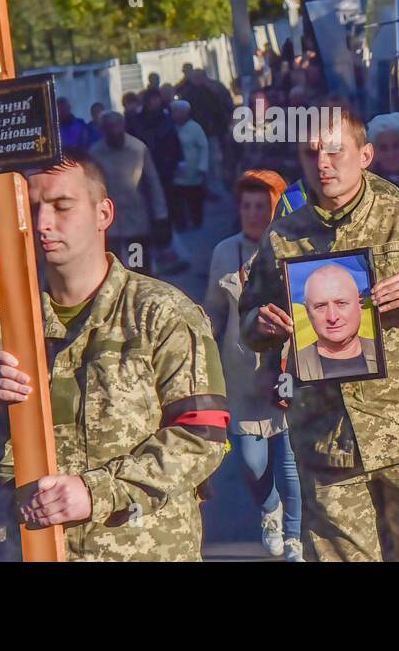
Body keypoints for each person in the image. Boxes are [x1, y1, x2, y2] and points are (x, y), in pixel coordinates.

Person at [0, 149, 228, 560]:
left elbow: (203, 435)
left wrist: (95, 492)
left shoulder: (160, 314)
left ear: (104, 213)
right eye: (34, 208)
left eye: (63, 206)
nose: (44, 223)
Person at [239, 99, 399, 562]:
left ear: (365, 156)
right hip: (327, 442)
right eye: (311, 154)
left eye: (334, 151)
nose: (323, 164)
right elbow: (251, 320)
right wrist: (262, 324)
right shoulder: (283, 237)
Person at [204, 170, 303, 561]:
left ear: (277, 206)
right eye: (246, 206)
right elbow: (214, 307)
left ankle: (294, 534)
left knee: (291, 460)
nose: (253, 213)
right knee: (251, 461)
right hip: (241, 376)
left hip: (287, 369)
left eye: (262, 205)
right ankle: (270, 511)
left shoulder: (294, 246)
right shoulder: (224, 252)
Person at [89, 112, 169, 277]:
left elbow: (153, 183)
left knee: (138, 264)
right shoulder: (95, 154)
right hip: (108, 221)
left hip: (136, 220)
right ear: (103, 130)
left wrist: (160, 214)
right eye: (109, 128)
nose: (113, 131)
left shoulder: (138, 149)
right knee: (111, 266)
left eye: (116, 126)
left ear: (123, 126)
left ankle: (140, 293)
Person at [295, 264, 380, 380]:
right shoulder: (294, 366)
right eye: (321, 306)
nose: (332, 317)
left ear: (360, 304)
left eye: (341, 303)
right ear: (308, 312)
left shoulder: (386, 353)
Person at [169, 99, 209, 231]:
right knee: (178, 199)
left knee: (194, 199)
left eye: (178, 111)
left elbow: (204, 147)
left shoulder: (195, 128)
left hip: (193, 171)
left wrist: (202, 167)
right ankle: (181, 223)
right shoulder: (171, 127)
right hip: (177, 172)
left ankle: (196, 221)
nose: (175, 114)